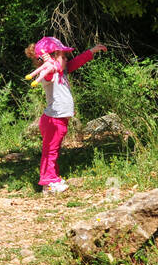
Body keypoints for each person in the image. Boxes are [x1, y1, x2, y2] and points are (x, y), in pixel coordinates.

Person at [27, 36, 106, 193]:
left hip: (60, 120)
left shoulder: (62, 72)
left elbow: (77, 61)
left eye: (65, 56)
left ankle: (53, 178)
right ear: (50, 60)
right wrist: (48, 63)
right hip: (52, 120)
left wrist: (91, 51)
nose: (65, 59)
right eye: (62, 56)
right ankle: (48, 183)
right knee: (50, 151)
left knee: (53, 150)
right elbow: (48, 71)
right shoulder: (49, 75)